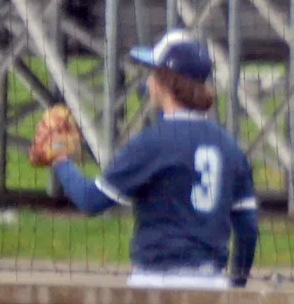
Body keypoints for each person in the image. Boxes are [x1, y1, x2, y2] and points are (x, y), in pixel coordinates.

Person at [50, 29, 259, 290]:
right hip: (212, 284)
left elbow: (91, 201)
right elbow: (248, 231)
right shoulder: (230, 147)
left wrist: (60, 160)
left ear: (165, 82)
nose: (148, 82)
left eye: (152, 74)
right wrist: (236, 285)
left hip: (156, 283)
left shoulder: (153, 142)